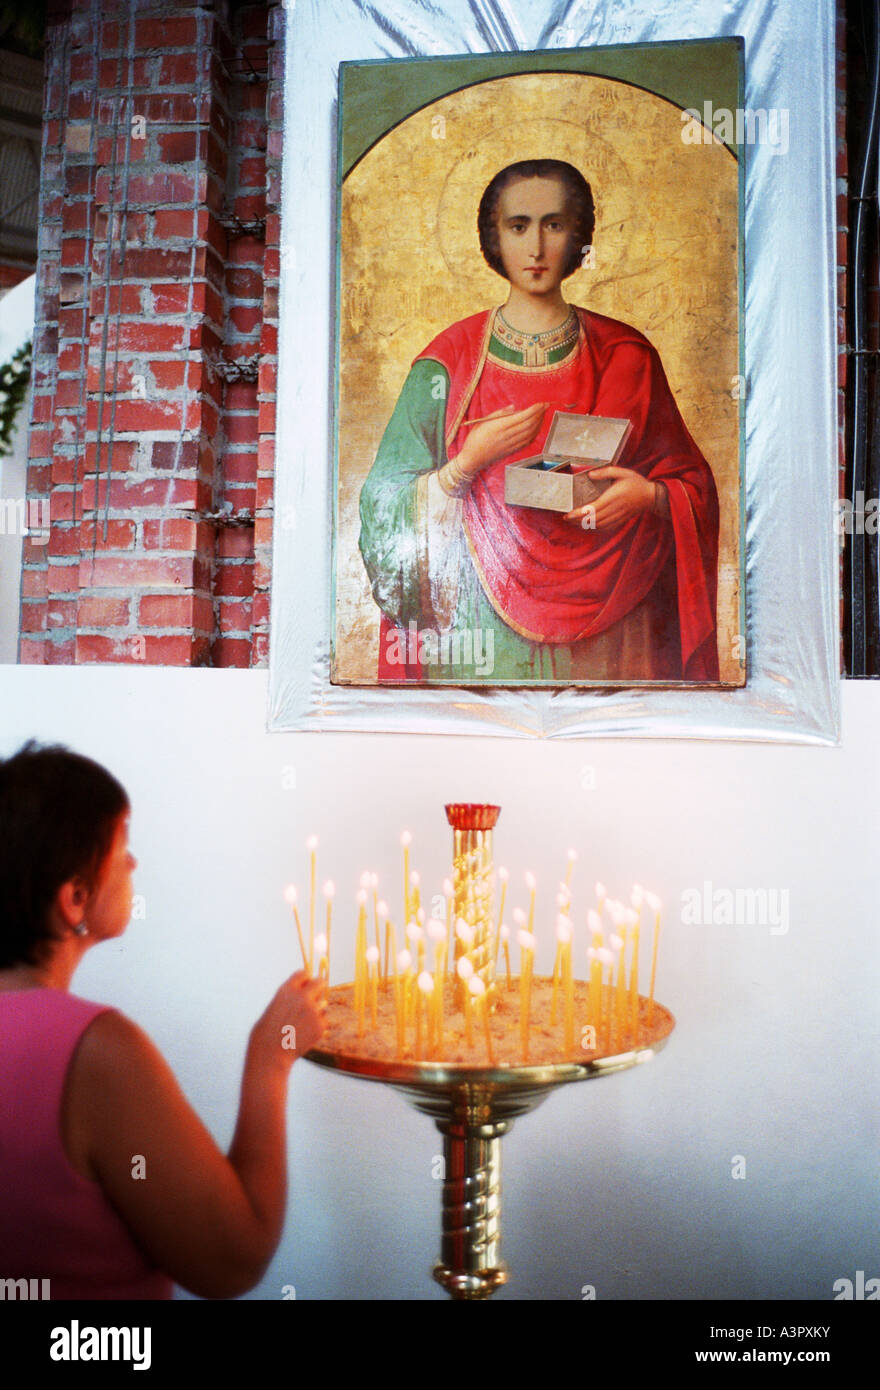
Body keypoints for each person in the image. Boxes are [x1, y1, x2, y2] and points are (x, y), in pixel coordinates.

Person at [358, 158, 719, 684]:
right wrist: (465, 466)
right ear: (493, 237)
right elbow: (383, 502)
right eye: (518, 226)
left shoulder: (628, 356)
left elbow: (694, 486)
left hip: (618, 619)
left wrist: (652, 498)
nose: (536, 248)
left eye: (554, 224)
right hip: (480, 619)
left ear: (579, 237)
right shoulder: (449, 362)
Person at [0, 741, 326, 1300]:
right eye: (122, 846)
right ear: (75, 898)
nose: (133, 863)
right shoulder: (96, 1053)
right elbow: (233, 1261)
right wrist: (269, 1060)